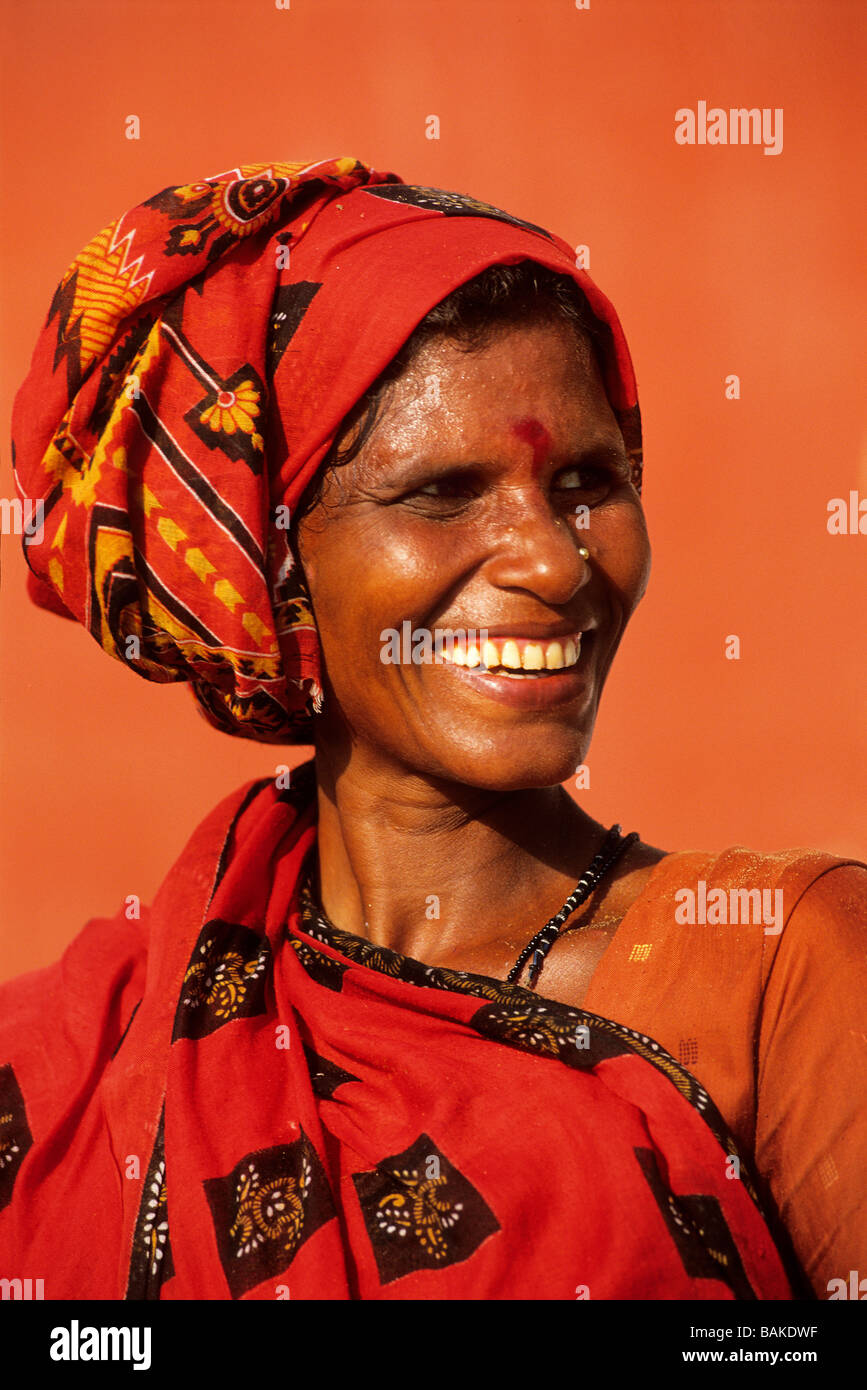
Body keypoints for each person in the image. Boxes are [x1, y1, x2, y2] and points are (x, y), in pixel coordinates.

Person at [1, 157, 863, 1301]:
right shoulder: (83, 1057)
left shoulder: (778, 968)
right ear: (276, 566)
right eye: (442, 493)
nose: (557, 561)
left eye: (589, 481)